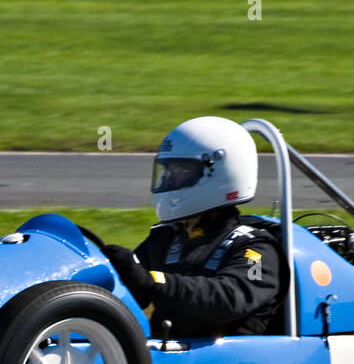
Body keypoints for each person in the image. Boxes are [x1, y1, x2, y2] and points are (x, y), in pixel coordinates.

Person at [102, 115, 285, 339]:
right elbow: (133, 290)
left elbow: (229, 300)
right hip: (167, 359)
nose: (169, 181)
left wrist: (154, 281)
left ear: (218, 172)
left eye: (181, 173)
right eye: (168, 172)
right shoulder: (167, 238)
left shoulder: (256, 250)